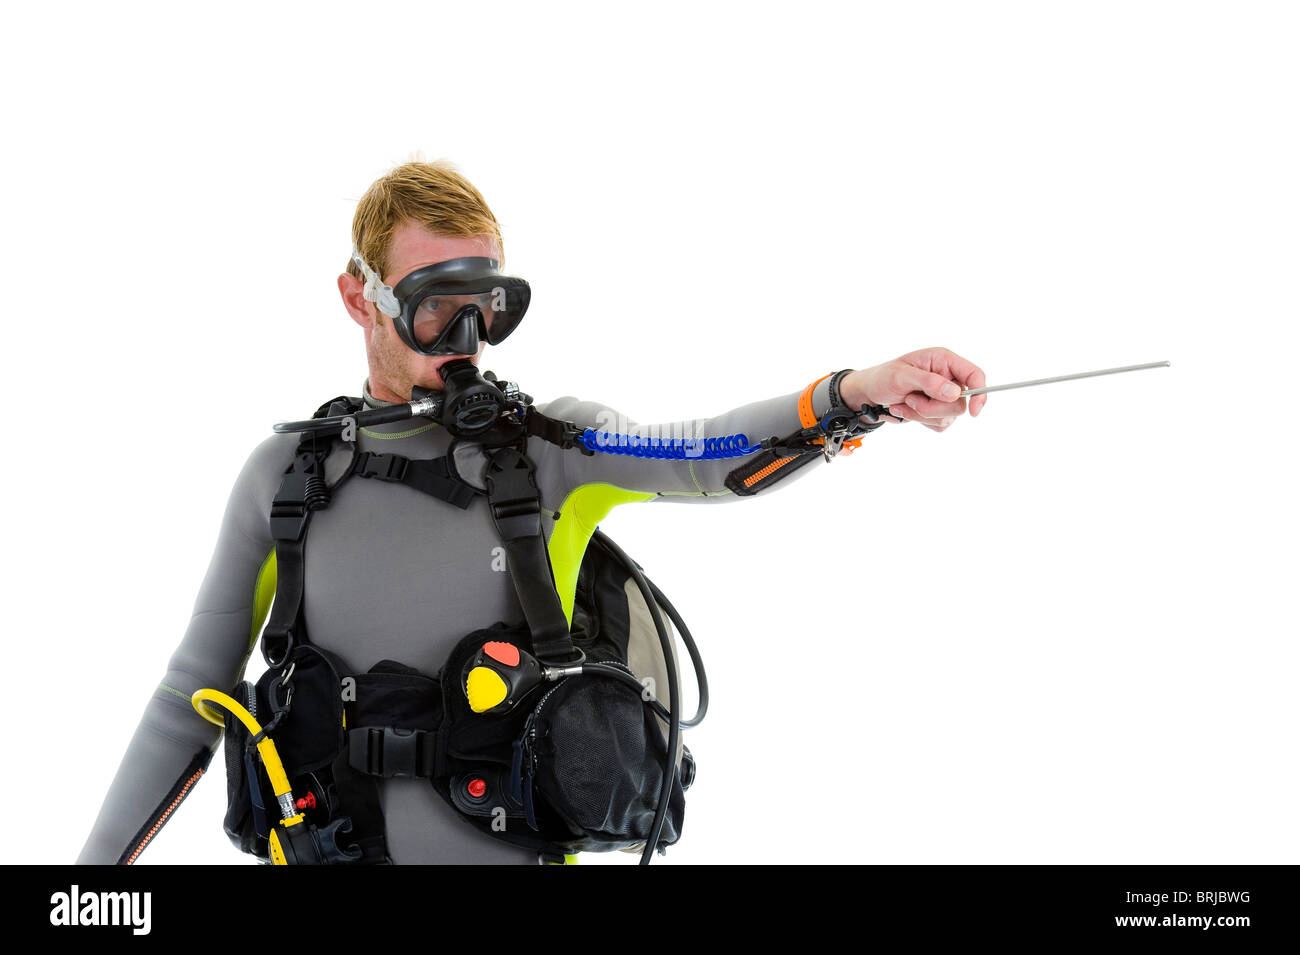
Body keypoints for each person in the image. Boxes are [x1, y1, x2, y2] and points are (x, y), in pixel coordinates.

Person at [76, 160, 988, 865]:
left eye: (489, 308)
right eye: (438, 311)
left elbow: (705, 454)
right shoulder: (284, 479)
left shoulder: (551, 450)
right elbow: (183, 702)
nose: (467, 341)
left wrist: (857, 395)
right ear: (361, 296)